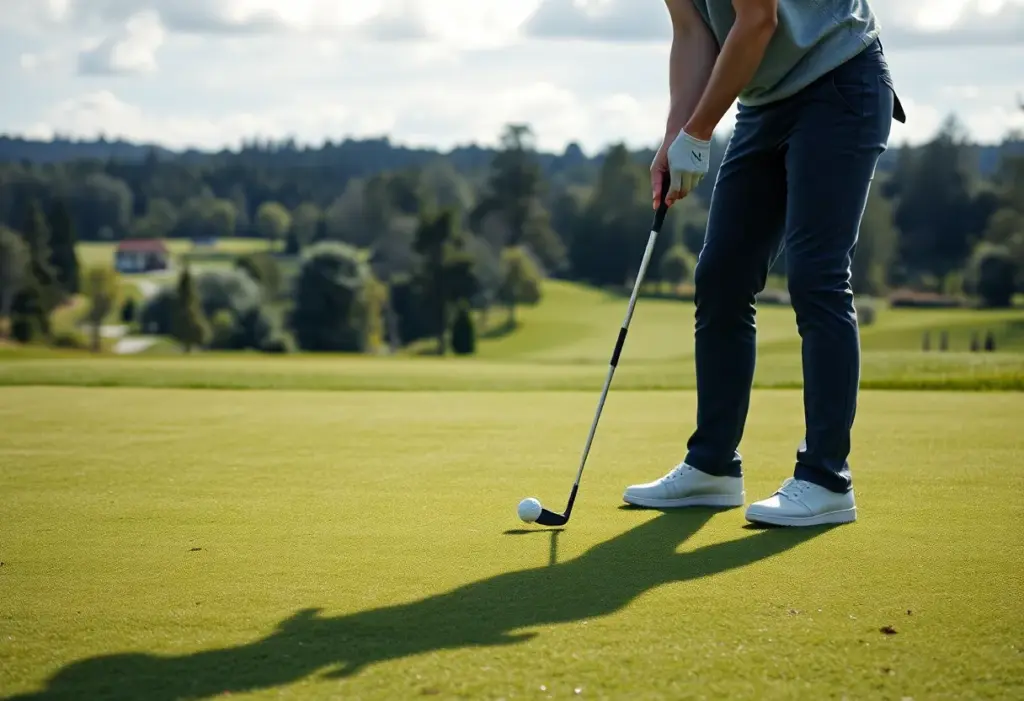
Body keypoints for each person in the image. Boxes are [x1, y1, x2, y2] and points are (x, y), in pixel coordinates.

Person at [623, 0, 905, 526]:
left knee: (815, 273)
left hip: (839, 80)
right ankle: (712, 466)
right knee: (722, 275)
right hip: (764, 102)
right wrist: (675, 133)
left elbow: (758, 20)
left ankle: (826, 479)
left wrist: (700, 132)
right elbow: (692, 32)